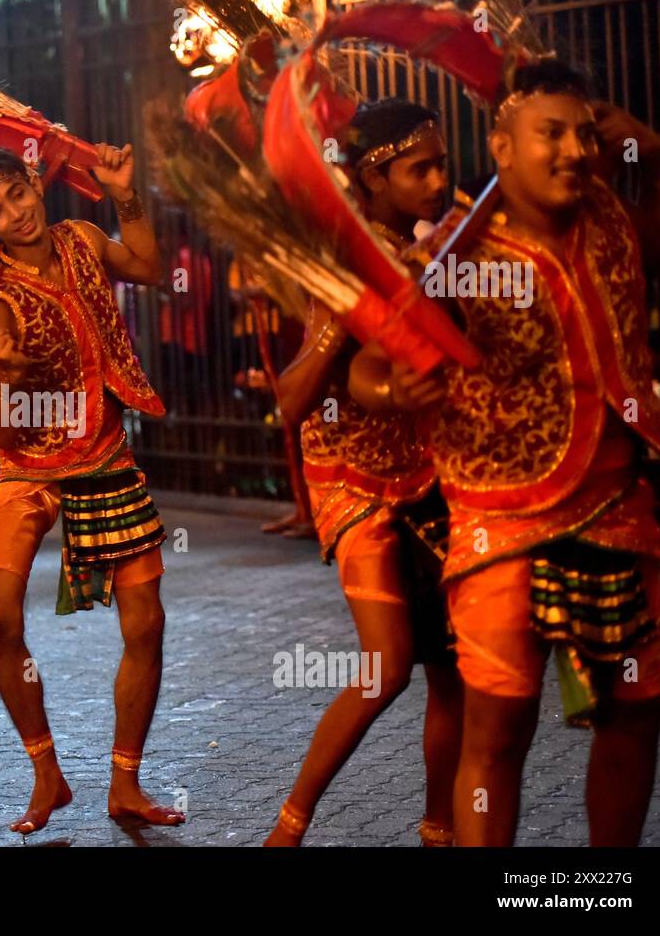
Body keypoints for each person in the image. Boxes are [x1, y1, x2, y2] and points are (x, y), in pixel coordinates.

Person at [350, 61, 660, 846]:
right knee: (498, 734)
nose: (574, 149)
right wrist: (398, 392)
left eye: (584, 133)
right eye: (551, 133)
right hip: (504, 521)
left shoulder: (607, 217)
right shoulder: (458, 254)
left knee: (634, 714)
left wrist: (658, 160)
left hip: (615, 511)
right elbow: (366, 366)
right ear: (502, 144)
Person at [0, 143, 184, 833]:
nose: (15, 214)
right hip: (31, 469)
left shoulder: (80, 238)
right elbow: (0, 433)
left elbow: (148, 266)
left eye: (17, 194)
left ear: (33, 185)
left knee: (146, 624)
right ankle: (46, 771)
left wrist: (126, 197)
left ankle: (125, 782)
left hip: (105, 454)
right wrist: (7, 379)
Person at [266, 99, 463, 846]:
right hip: (353, 480)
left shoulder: (441, 245)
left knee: (454, 671)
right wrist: (355, 322)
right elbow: (296, 398)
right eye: (422, 167)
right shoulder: (344, 265)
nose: (440, 179)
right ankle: (290, 824)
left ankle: (440, 829)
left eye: (442, 163)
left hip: (431, 473)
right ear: (374, 178)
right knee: (388, 666)